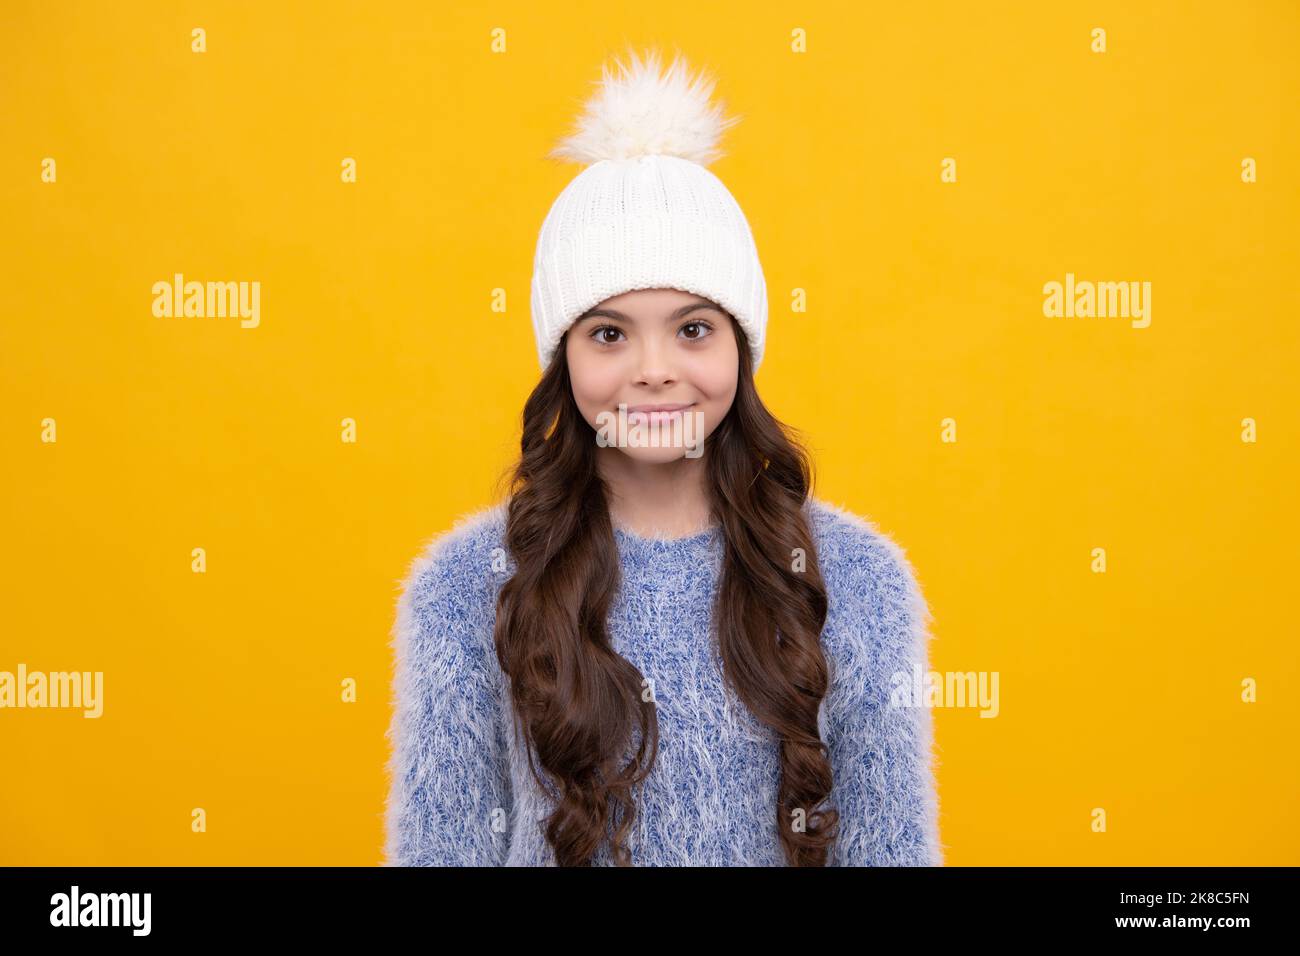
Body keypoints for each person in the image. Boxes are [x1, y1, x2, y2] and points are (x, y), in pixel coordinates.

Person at [383, 47, 943, 867]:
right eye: (609, 333)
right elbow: (443, 853)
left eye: (692, 329)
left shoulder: (858, 579)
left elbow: (891, 852)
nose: (654, 369)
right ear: (562, 356)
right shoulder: (465, 588)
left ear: (740, 348)